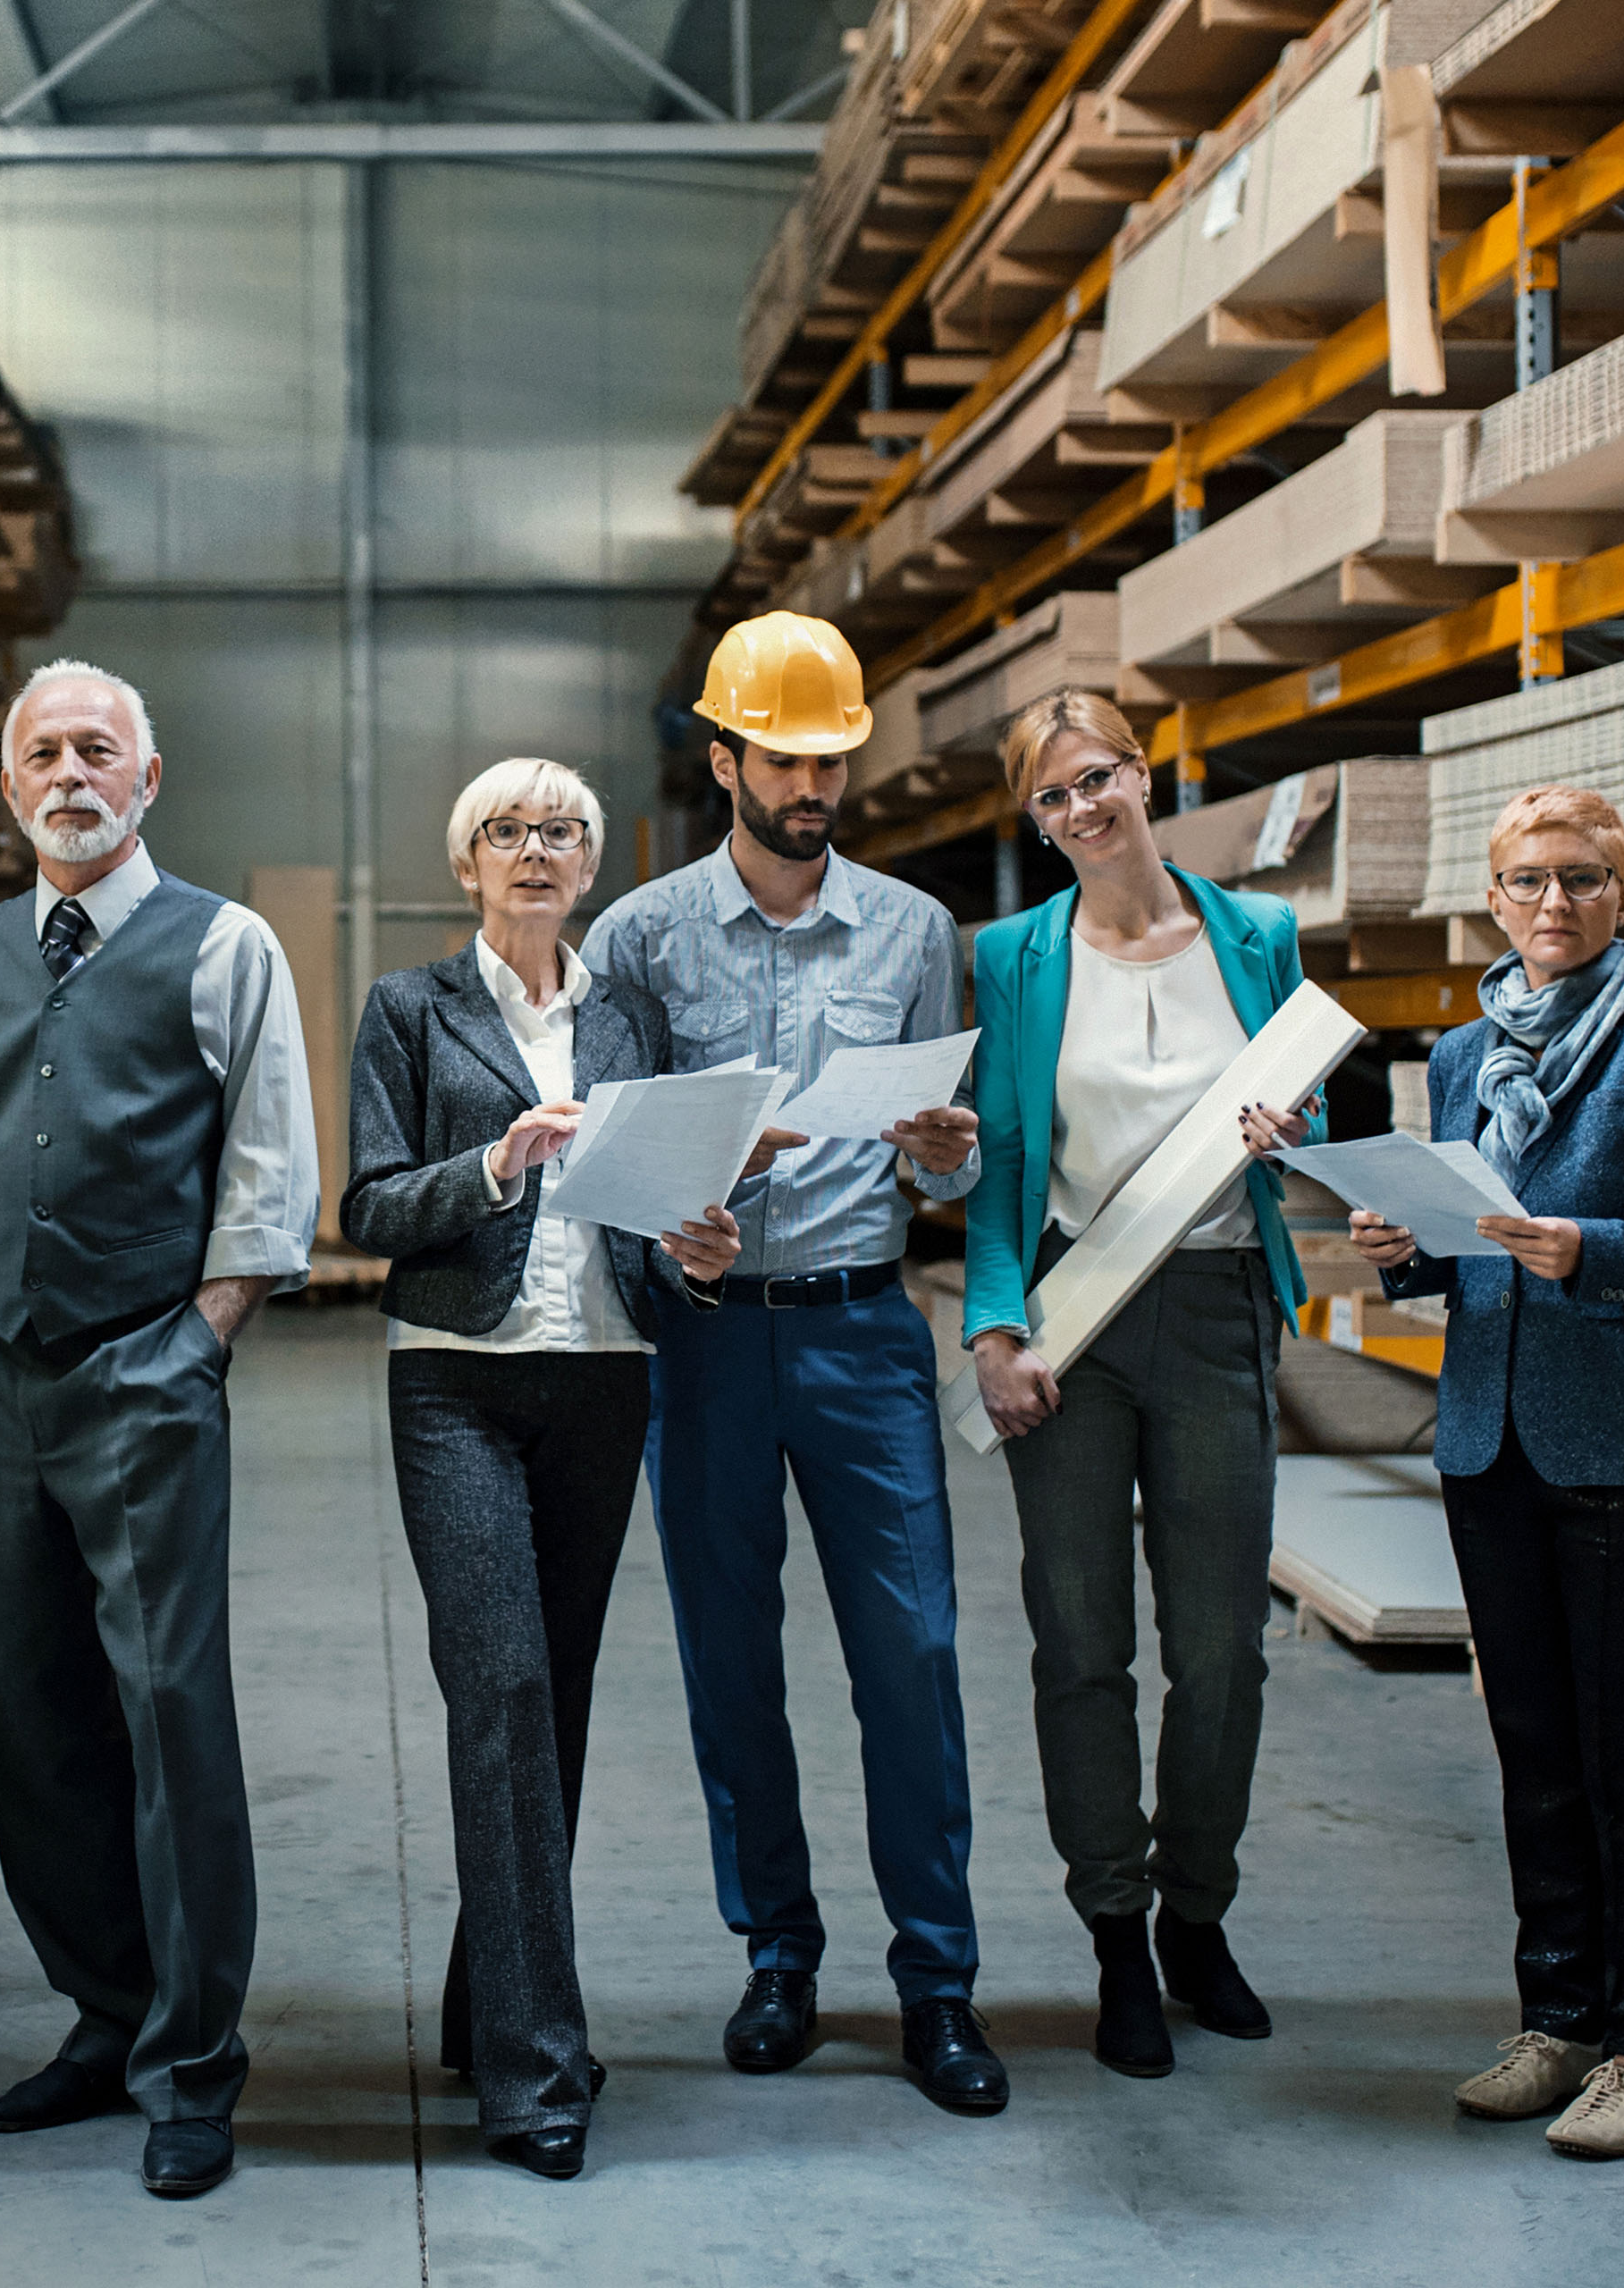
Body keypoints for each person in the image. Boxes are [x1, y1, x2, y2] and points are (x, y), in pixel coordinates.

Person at [0, 658, 316, 2200]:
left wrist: (198, 1347)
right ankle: (106, 2016)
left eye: (97, 750)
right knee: (31, 1711)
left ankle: (193, 2061)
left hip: (143, 1371)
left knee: (169, 1709)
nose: (71, 771)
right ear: (8, 787)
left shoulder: (225, 945)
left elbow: (270, 1182)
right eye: (43, 751)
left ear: (148, 777)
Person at [585, 610, 1007, 2116]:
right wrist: (665, 1237)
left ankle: (940, 1984)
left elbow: (948, 1173)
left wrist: (951, 1157)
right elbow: (610, 1165)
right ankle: (777, 1952)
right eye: (786, 758)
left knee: (914, 1660)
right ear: (726, 761)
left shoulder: (912, 933)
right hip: (706, 1347)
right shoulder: (638, 938)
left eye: (833, 757)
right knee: (732, 1668)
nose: (814, 782)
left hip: (861, 1333)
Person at [1348, 783, 1624, 2160]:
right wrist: (1402, 1247)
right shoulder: (1465, 1054)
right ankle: (1558, 2019)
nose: (1552, 904)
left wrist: (1598, 1249)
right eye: (1528, 880)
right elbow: (1467, 1238)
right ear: (1494, 896)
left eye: (1580, 878)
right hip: (1491, 1440)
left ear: (1622, 897)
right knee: (1533, 1750)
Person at [342, 757, 747, 2182]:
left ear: (590, 867)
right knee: (501, 1682)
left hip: (603, 1380)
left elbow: (655, 1210)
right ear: (467, 864)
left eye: (560, 832)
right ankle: (533, 2068)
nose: (534, 850)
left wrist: (697, 1258)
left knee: (551, 1702)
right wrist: (498, 1168)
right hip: (455, 1379)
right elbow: (369, 1206)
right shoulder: (412, 1008)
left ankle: (482, 1999)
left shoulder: (630, 1016)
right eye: (504, 831)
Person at [963, 688, 1316, 2082]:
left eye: (1096, 778)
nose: (1081, 811)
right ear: (1036, 820)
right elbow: (995, 1157)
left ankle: (1199, 1916)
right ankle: (1115, 1927)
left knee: (1222, 1644)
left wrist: (1294, 1130)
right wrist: (994, 1332)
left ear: (1144, 773)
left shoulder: (1259, 934)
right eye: (1051, 798)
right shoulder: (1008, 953)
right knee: (1080, 1639)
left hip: (1220, 1303)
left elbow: (1315, 1104)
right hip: (1073, 1312)